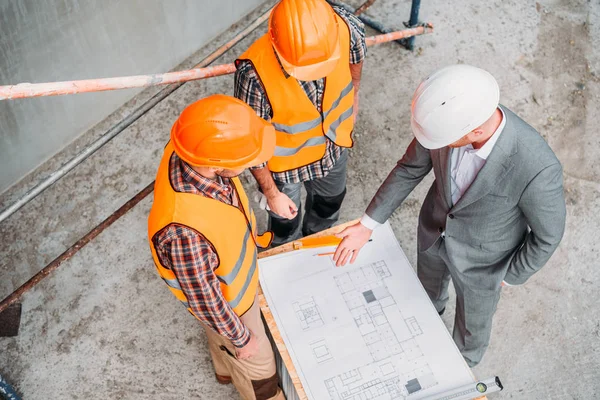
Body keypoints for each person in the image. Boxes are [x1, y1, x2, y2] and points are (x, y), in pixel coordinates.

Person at [334, 64, 566, 367]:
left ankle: (460, 365)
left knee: (472, 326)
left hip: (485, 263)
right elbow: (409, 168)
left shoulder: (537, 167)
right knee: (424, 292)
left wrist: (511, 275)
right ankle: (426, 321)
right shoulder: (448, 117)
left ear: (475, 132)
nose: (434, 144)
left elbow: (548, 235)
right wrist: (367, 224)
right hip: (433, 231)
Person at [147, 94, 285, 400]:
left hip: (227, 289)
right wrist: (242, 338)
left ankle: (224, 369)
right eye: (243, 159)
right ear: (216, 165)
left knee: (216, 333)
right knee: (259, 369)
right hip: (232, 305)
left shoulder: (188, 147)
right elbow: (206, 299)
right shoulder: (184, 232)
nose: (251, 162)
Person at [234, 0, 367, 246]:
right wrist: (272, 194)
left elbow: (356, 65)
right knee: (284, 227)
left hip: (334, 148)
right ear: (276, 45)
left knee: (328, 206)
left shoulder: (346, 28)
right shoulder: (254, 74)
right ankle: (286, 253)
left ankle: (314, 243)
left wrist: (353, 102)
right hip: (285, 170)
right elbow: (251, 144)